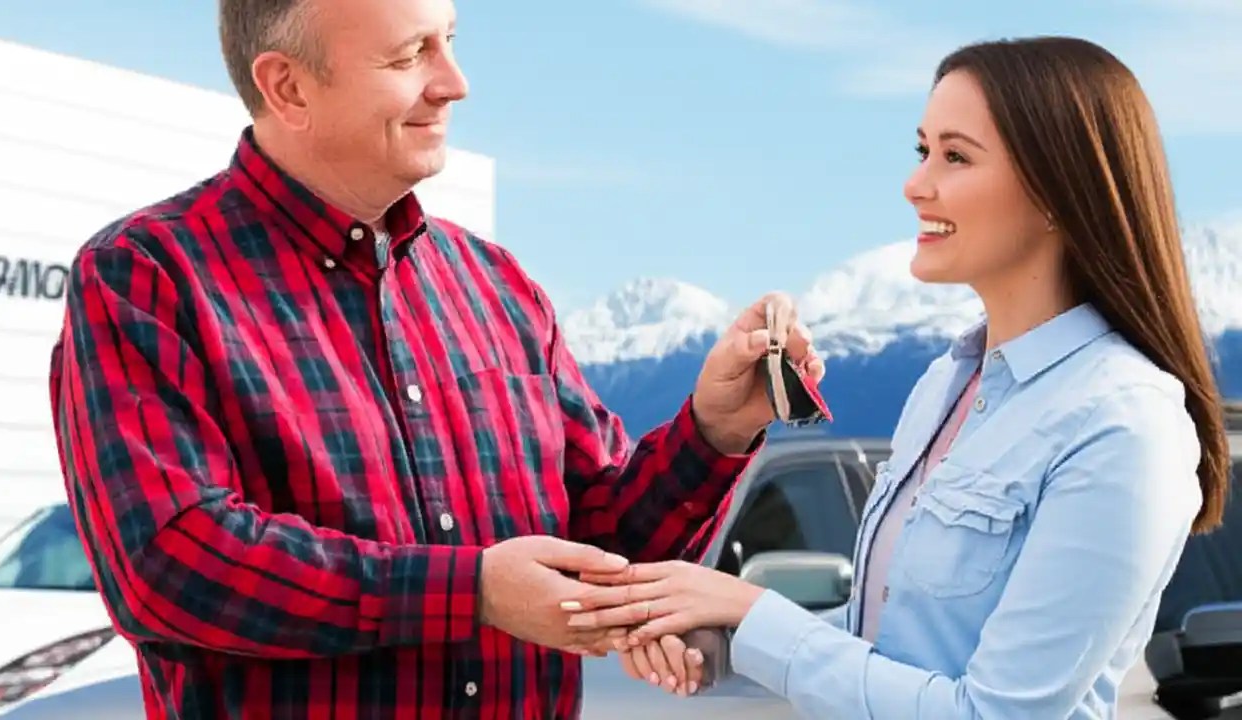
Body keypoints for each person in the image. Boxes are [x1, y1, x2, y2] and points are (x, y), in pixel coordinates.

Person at [45, 0, 824, 717]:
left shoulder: (498, 287)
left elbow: (604, 551)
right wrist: (471, 591)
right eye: (409, 55)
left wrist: (713, 431)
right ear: (288, 87)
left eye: (448, 42)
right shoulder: (147, 276)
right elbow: (174, 562)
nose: (454, 84)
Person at [560, 35, 1232, 717]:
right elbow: (883, 649)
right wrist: (722, 641)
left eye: (956, 156)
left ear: (1058, 189)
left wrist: (752, 609)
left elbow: (997, 713)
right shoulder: (946, 385)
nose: (916, 184)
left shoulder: (1123, 419)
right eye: (923, 151)